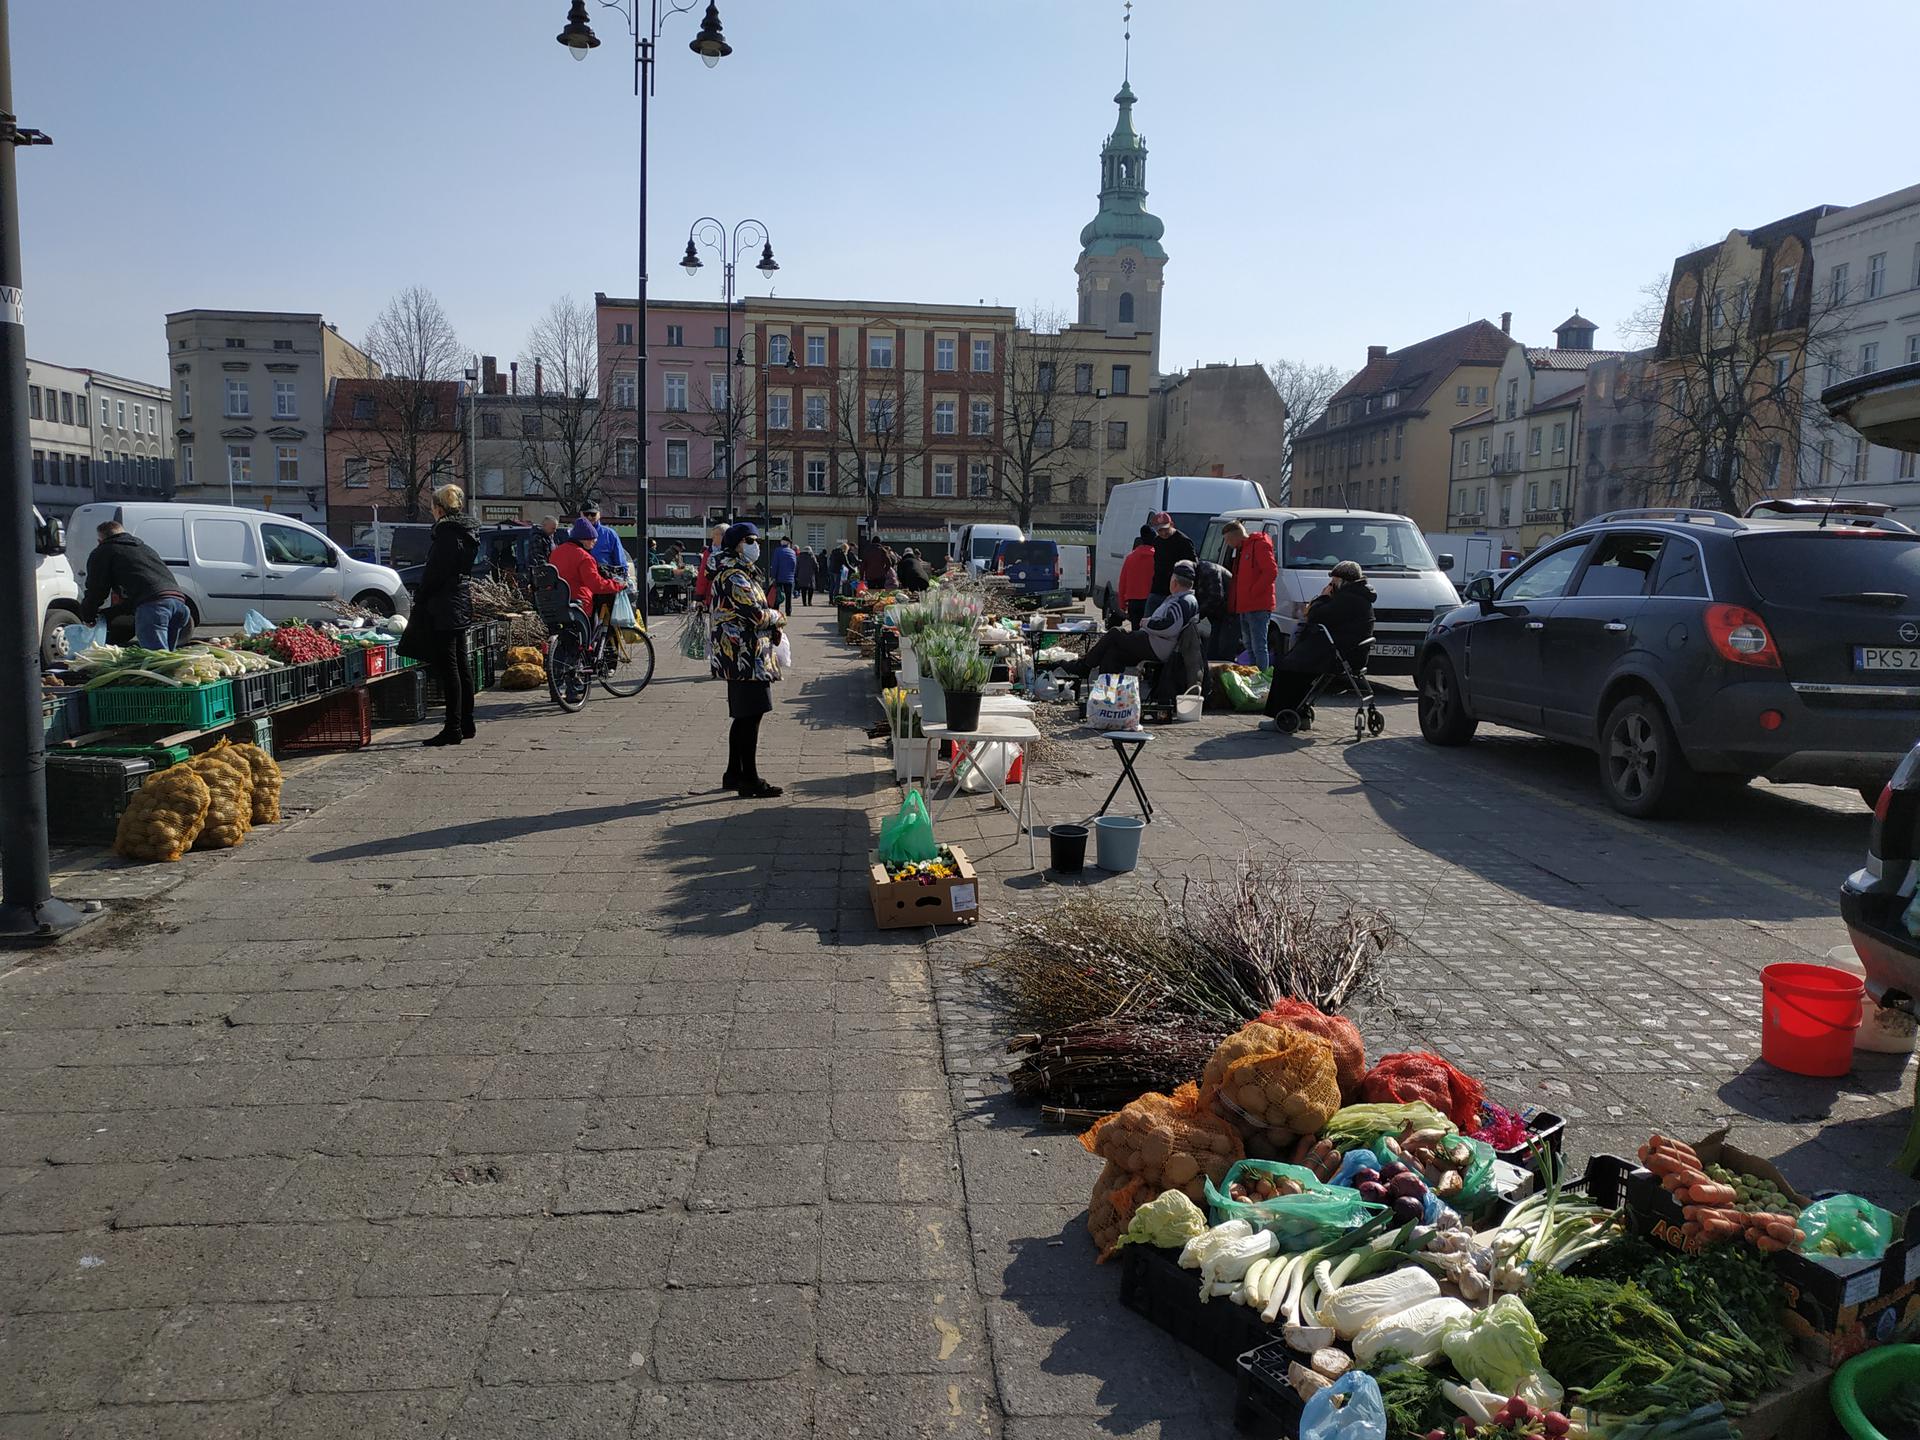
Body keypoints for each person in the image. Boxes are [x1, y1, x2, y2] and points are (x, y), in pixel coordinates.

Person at [400, 484, 481, 747]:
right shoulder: (467, 532)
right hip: (460, 600)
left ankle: (453, 727)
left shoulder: (446, 535)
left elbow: (434, 574)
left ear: (439, 509)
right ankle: (466, 723)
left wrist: (421, 597)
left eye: (433, 507)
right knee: (462, 664)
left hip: (444, 605)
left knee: (450, 669)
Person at [709, 521, 784, 799]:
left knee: (744, 715)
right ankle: (750, 779)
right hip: (744, 655)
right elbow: (756, 614)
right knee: (751, 716)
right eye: (750, 541)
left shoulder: (740, 572)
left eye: (756, 541)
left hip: (742, 653)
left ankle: (734, 773)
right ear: (736, 545)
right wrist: (778, 617)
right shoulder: (734, 576)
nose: (756, 546)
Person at [1264, 560, 1377, 727]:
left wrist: (1323, 597)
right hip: (1348, 651)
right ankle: (1300, 713)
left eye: (1334, 581)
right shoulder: (1360, 597)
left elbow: (1316, 616)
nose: (1331, 585)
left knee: (1287, 668)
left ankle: (1281, 716)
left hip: (1339, 654)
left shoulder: (1348, 599)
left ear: (1342, 581)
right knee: (1297, 666)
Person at [1061, 561, 1200, 679]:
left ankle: (1084, 666)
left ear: (1174, 582)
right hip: (1157, 643)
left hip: (1157, 645)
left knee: (1115, 632)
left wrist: (1147, 623)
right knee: (1113, 652)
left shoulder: (1181, 601)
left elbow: (1169, 627)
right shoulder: (1184, 599)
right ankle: (1107, 690)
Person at [78, 520, 193, 651]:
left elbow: (97, 589)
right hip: (180, 605)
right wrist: (109, 614)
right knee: (168, 658)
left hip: (155, 608)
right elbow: (142, 590)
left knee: (155, 658)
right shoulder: (145, 549)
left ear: (99, 541)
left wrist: (88, 616)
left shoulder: (104, 551)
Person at [1222, 521, 1279, 670]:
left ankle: (1261, 676)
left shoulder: (1258, 545)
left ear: (1235, 536)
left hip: (1257, 604)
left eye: (1228, 540)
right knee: (1249, 645)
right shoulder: (1243, 550)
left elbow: (1271, 571)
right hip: (1245, 604)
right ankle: (1254, 674)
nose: (1228, 544)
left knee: (1258, 645)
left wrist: (1253, 592)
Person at [549, 516, 625, 615]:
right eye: (593, 540)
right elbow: (596, 585)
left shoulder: (556, 552)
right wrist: (618, 585)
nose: (594, 543)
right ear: (584, 540)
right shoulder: (585, 558)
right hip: (579, 606)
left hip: (556, 603)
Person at [1146, 511, 1196, 611]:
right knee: (1148, 618)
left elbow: (1193, 565)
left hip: (1176, 591)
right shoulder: (1157, 541)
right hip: (1157, 588)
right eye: (1159, 530)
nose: (1163, 533)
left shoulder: (1184, 541)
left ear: (1172, 524)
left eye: (1165, 529)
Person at [1116, 524, 1156, 628]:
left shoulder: (1130, 557)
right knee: (1150, 632)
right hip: (1151, 601)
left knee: (1135, 631)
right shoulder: (1157, 558)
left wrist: (1122, 604)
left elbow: (1122, 582)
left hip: (1133, 602)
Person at [580, 503, 629, 580]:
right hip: (581, 580)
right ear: (581, 514)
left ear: (599, 515)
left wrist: (622, 578)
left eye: (593, 514)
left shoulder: (609, 534)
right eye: (586, 514)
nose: (589, 517)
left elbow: (620, 563)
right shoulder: (573, 535)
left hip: (604, 580)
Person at [694, 522, 727, 610]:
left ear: (724, 536)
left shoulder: (735, 552)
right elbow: (703, 575)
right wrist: (700, 597)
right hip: (714, 596)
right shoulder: (709, 553)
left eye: (715, 535)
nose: (712, 537)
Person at [770, 537, 798, 613]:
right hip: (790, 578)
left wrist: (773, 576)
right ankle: (788, 611)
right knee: (788, 596)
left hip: (779, 577)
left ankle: (776, 611)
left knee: (777, 595)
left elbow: (775, 565)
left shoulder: (778, 551)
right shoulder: (793, 552)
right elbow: (794, 565)